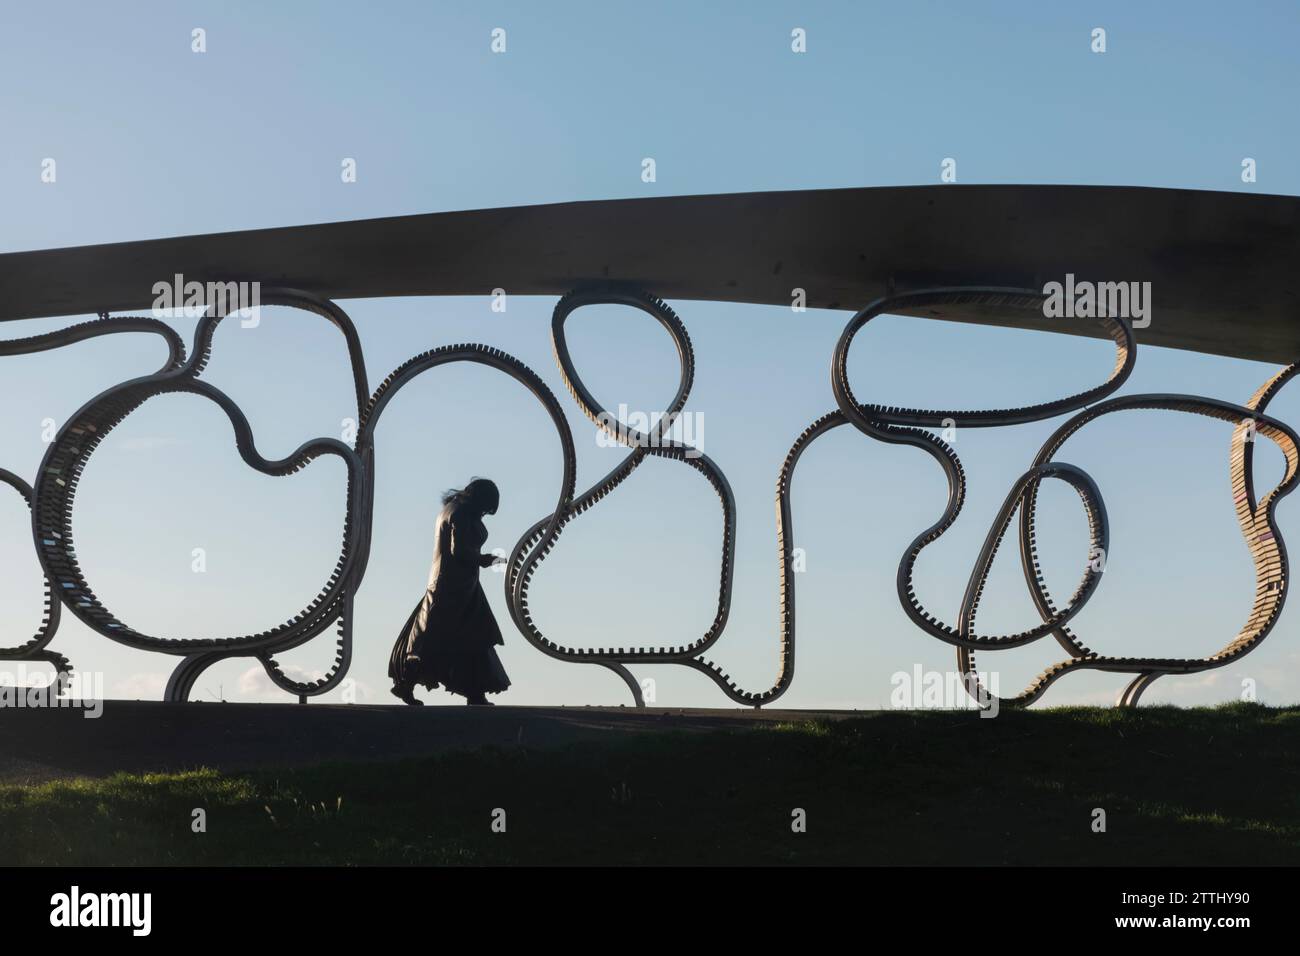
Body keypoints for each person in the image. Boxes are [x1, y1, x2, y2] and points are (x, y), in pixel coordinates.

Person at [389, 478, 510, 706]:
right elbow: (460, 551)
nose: (485, 514)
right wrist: (486, 559)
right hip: (452, 585)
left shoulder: (452, 509)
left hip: (459, 584)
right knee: (443, 636)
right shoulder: (461, 514)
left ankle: (474, 691)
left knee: (467, 636)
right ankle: (407, 682)